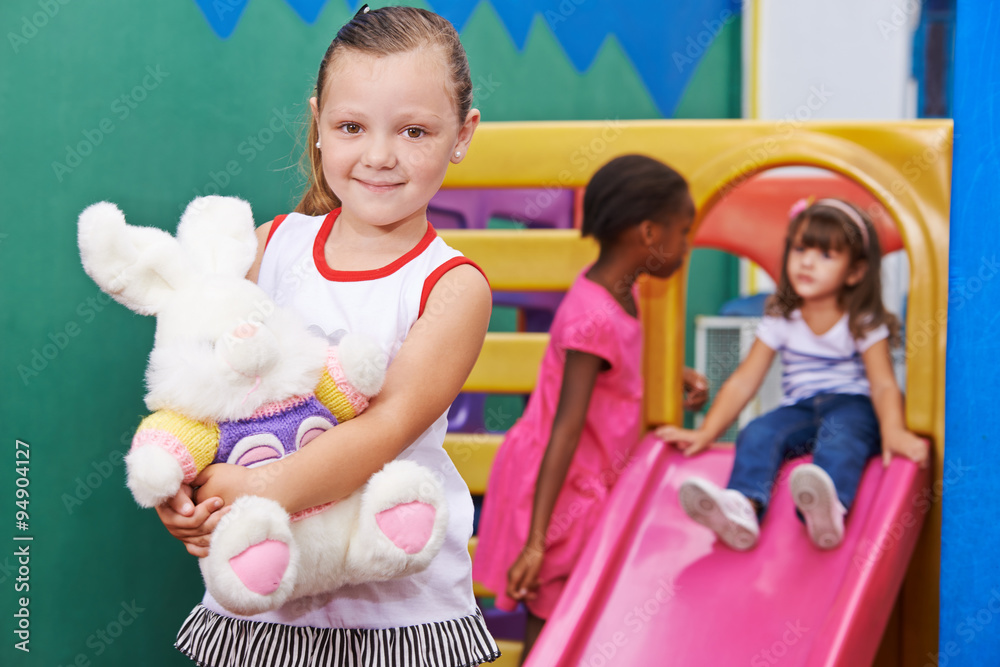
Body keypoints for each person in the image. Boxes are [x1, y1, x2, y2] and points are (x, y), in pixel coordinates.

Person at [155, 6, 501, 665]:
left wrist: (259, 488)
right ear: (319, 124)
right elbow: (202, 382)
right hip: (265, 593)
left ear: (463, 133)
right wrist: (182, 481)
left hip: (397, 613)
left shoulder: (452, 287)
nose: (378, 154)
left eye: (415, 130)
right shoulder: (268, 246)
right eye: (351, 126)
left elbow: (385, 426)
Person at [473, 154, 705, 664]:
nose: (687, 245)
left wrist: (673, 377)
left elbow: (616, 374)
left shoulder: (621, 292)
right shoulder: (593, 317)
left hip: (593, 482)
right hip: (562, 491)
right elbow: (567, 428)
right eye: (683, 231)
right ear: (649, 233)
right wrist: (537, 541)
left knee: (587, 613)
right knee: (553, 619)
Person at [658, 198, 929, 553]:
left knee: (842, 436)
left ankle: (830, 506)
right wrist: (707, 431)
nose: (807, 262)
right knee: (759, 431)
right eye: (800, 248)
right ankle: (743, 505)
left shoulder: (861, 320)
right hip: (800, 409)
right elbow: (745, 379)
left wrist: (893, 431)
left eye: (826, 255)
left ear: (855, 272)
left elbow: (882, 384)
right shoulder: (782, 316)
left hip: (853, 407)